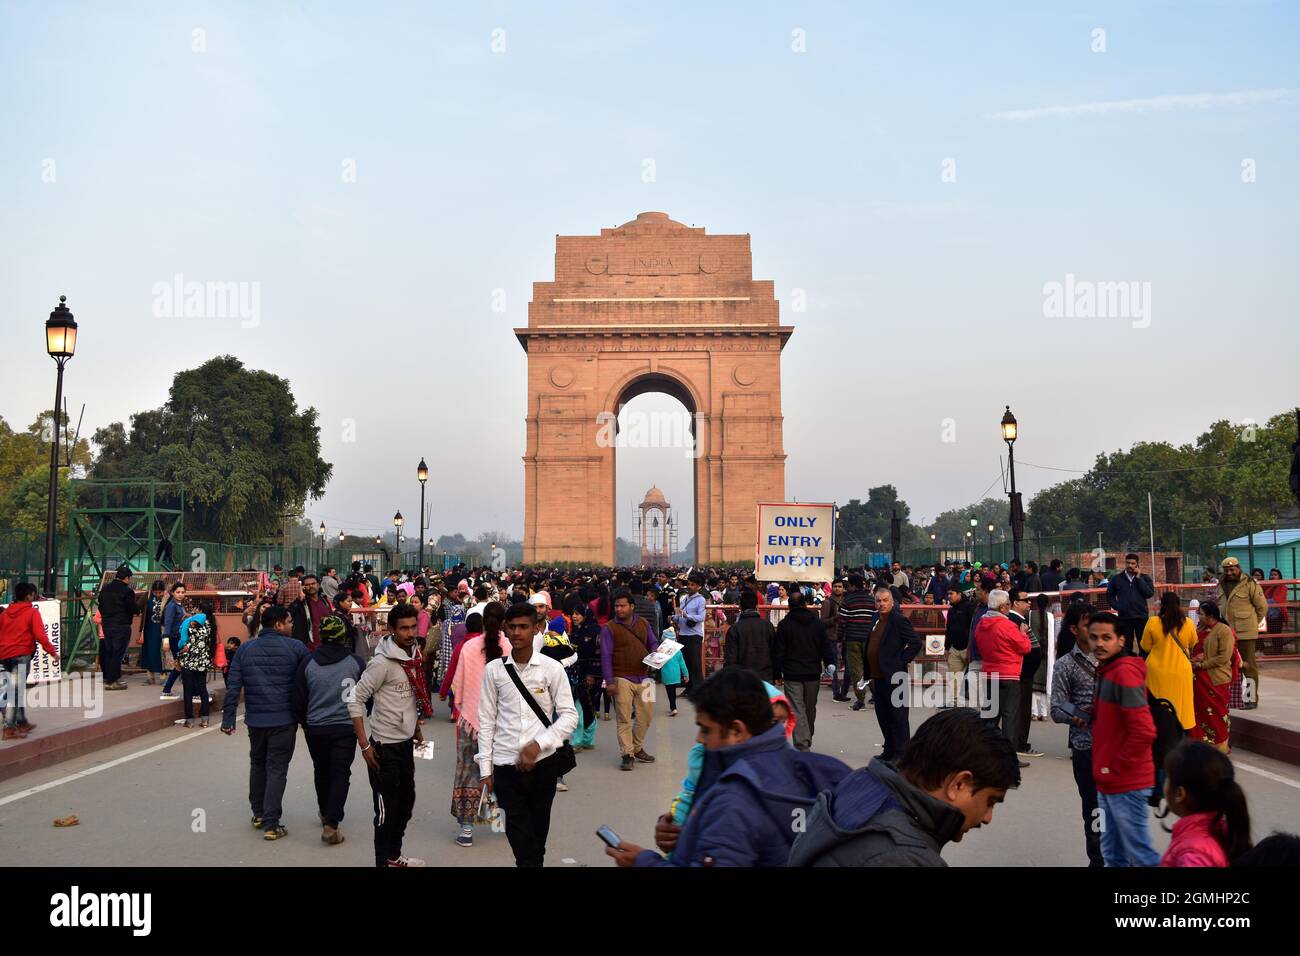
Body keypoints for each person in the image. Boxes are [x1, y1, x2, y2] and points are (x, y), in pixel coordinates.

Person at [605, 667, 850, 867]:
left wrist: (642, 862)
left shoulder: (734, 799)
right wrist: (688, 831)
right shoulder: (824, 770)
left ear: (737, 730)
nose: (699, 738)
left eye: (706, 729)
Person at [789, 708, 1021, 867]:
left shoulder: (863, 783)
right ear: (958, 783)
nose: (988, 817)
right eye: (990, 801)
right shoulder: (905, 856)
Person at [477, 601, 578, 867]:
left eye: (524, 626)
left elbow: (569, 716)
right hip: (505, 765)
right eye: (512, 627)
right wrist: (485, 770)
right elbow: (486, 721)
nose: (518, 632)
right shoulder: (494, 671)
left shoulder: (551, 669)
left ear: (536, 629)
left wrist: (538, 745)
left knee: (537, 836)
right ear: (505, 630)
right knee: (520, 838)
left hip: (543, 765)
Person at [348, 602, 428, 867]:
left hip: (405, 745)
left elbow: (408, 699)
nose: (410, 632)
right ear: (391, 630)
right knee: (385, 812)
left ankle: (394, 856)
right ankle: (382, 861)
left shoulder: (413, 655)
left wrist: (414, 728)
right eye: (403, 628)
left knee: (406, 803)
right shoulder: (381, 663)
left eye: (413, 626)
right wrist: (364, 745)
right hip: (383, 749)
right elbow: (355, 700)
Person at [221, 605, 310, 841]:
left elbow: (233, 686)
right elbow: (307, 684)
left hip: (256, 720)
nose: (292, 625)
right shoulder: (296, 648)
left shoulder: (245, 650)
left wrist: (228, 718)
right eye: (289, 621)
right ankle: (271, 823)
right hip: (284, 720)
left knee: (258, 764)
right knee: (277, 769)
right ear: (279, 624)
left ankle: (259, 814)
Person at [1089, 611, 1159, 867]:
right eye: (1095, 637)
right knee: (1114, 855)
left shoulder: (1123, 673)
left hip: (1126, 782)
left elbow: (1144, 731)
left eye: (1107, 637)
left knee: (1141, 856)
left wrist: (1116, 767)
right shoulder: (1107, 670)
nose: (1099, 643)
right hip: (1110, 781)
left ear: (1121, 640)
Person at [292, 614, 366, 846]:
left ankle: (325, 812)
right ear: (343, 636)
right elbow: (367, 694)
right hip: (345, 727)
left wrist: (305, 723)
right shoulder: (355, 663)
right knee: (340, 773)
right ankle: (331, 824)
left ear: (321, 636)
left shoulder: (308, 662)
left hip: (316, 728)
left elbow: (298, 698)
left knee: (321, 771)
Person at [448, 603, 509, 847]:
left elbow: (459, 687)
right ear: (504, 622)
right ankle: (499, 821)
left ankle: (467, 829)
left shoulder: (469, 646)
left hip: (470, 723)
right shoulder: (510, 647)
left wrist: (464, 705)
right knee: (501, 772)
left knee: (468, 773)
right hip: (502, 723)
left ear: (483, 621)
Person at [1050, 609, 1103, 867]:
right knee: (1093, 809)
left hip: (1118, 749)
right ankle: (1097, 860)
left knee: (1120, 810)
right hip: (1086, 747)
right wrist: (1077, 716)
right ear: (1073, 629)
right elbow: (1056, 707)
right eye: (1087, 625)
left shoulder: (1115, 659)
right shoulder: (1065, 665)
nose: (1094, 630)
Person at [1160, 741, 1252, 866]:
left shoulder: (1193, 853)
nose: (1165, 783)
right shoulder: (1221, 829)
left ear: (1179, 794)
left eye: (1168, 778)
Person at [600, 589, 659, 770]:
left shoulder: (643, 623)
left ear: (631, 606)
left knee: (646, 716)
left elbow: (652, 642)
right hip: (621, 677)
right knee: (624, 718)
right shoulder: (609, 628)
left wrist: (657, 651)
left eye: (623, 606)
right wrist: (609, 681)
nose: (619, 609)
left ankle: (636, 747)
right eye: (616, 606)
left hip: (645, 677)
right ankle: (627, 754)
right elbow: (606, 655)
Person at [865, 587, 923, 762]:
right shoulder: (875, 618)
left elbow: (915, 643)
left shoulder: (898, 620)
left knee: (898, 717)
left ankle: (902, 754)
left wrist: (900, 661)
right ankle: (889, 749)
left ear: (891, 601)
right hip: (877, 676)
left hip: (894, 676)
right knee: (883, 716)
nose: (882, 604)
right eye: (878, 601)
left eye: (885, 600)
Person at [773, 591, 835, 751]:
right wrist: (830, 662)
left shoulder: (784, 625)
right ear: (805, 604)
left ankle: (802, 742)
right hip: (813, 672)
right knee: (809, 708)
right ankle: (806, 739)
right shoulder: (817, 623)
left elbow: (779, 651)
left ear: (790, 606)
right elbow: (825, 645)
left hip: (792, 673)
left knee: (796, 709)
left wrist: (777, 673)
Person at [973, 590, 1030, 765]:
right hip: (1009, 674)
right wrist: (1023, 633)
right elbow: (1025, 647)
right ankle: (1008, 757)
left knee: (991, 715)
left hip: (990, 672)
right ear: (1003, 606)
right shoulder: (1007, 625)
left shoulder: (981, 624)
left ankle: (985, 752)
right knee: (1009, 716)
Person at [0, 582, 60, 740]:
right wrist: (52, 652)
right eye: (34, 594)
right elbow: (40, 635)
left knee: (16, 689)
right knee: (15, 692)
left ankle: (22, 722)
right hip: (21, 654)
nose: (34, 597)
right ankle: (9, 729)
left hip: (5, 655)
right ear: (28, 596)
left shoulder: (6, 613)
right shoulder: (31, 612)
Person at [1141, 591, 1198, 731]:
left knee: (1157, 705)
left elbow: (1145, 646)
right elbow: (1193, 643)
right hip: (1181, 671)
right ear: (1179, 605)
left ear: (1162, 605)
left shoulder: (1153, 622)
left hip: (1156, 671)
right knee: (1182, 705)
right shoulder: (1189, 623)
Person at [1217, 557, 1268, 709]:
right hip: (1227, 632)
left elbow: (1262, 607)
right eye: (1226, 570)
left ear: (1239, 568)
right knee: (1229, 666)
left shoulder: (1249, 583)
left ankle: (1251, 699)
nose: (1229, 572)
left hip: (1245, 633)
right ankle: (1233, 699)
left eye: (1232, 569)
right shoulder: (1221, 584)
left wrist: (1251, 622)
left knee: (1248, 667)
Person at [1189, 600, 1237, 752]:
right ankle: (1203, 745)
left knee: (1217, 712)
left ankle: (1221, 745)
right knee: (1200, 712)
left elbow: (1224, 657)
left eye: (1201, 614)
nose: (1198, 616)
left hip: (1215, 678)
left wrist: (1202, 664)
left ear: (1210, 615)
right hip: (1199, 679)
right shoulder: (1201, 629)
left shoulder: (1224, 630)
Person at [1006, 589, 1043, 758]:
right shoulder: (1014, 620)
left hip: (1024, 673)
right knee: (1021, 711)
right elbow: (1022, 648)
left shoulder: (1019, 620)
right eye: (1025, 600)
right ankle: (1019, 743)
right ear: (1015, 603)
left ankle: (1019, 742)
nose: (1029, 603)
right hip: (1021, 674)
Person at [839, 573, 877, 712]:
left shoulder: (847, 601)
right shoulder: (872, 600)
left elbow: (843, 622)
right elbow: (876, 619)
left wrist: (839, 639)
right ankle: (877, 696)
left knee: (857, 671)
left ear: (852, 586)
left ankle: (860, 701)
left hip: (853, 639)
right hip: (869, 638)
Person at [97, 565, 139, 690]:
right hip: (121, 626)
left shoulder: (105, 589)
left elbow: (100, 605)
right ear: (126, 578)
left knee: (110, 652)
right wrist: (138, 607)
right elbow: (133, 608)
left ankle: (110, 677)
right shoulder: (127, 591)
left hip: (107, 625)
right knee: (118, 653)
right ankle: (112, 681)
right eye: (129, 579)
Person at [175, 599, 216, 728]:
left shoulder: (190, 624)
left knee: (188, 690)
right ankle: (205, 720)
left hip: (189, 661)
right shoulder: (210, 625)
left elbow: (182, 642)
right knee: (202, 689)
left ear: (199, 611)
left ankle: (190, 720)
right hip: (203, 661)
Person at [1105, 553, 1155, 653]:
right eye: (1128, 563)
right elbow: (1109, 595)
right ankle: (1127, 666)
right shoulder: (1116, 579)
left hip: (1141, 616)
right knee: (1126, 645)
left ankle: (1143, 666)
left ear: (1137, 565)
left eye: (1133, 563)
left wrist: (1139, 578)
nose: (1130, 565)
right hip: (1125, 617)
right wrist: (1118, 606)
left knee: (1143, 645)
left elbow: (1149, 594)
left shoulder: (1145, 578)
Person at [723, 589, 776, 681]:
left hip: (742, 677)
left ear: (741, 606)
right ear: (756, 605)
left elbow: (730, 657)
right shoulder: (767, 625)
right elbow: (774, 651)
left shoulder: (735, 628)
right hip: (765, 675)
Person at [672, 573, 707, 696]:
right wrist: (673, 618)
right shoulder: (685, 598)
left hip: (694, 635)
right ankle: (690, 688)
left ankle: (699, 689)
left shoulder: (701, 600)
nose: (690, 586)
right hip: (683, 634)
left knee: (695, 664)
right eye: (689, 584)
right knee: (686, 663)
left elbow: (701, 617)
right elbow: (680, 614)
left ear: (699, 587)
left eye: (693, 585)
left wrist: (687, 616)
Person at [943, 587, 973, 707]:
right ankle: (954, 702)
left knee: (974, 679)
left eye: (952, 593)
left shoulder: (969, 607)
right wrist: (946, 647)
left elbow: (973, 629)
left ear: (959, 594)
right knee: (953, 677)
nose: (949, 596)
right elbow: (949, 630)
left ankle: (975, 705)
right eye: (948, 593)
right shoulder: (951, 611)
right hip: (954, 649)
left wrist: (972, 648)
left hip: (968, 648)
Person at [159, 582, 187, 701]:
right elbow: (168, 623)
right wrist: (166, 640)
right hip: (174, 639)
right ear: (172, 593)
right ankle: (194, 692)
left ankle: (167, 690)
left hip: (179, 638)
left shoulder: (179, 605)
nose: (180, 594)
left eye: (182, 592)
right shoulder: (171, 606)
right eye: (178, 592)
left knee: (180, 665)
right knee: (181, 664)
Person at [289, 574, 332, 650]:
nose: (311, 586)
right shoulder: (301, 603)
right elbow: (290, 614)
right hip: (308, 647)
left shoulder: (324, 600)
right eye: (307, 585)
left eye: (313, 583)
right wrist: (299, 599)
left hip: (327, 645)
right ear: (303, 587)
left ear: (318, 585)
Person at [821, 579, 847, 701]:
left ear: (843, 588)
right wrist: (834, 619)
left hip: (846, 637)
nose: (837, 588)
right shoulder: (827, 603)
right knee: (835, 666)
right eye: (835, 586)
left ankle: (844, 691)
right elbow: (823, 622)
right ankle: (836, 692)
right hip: (832, 637)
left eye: (840, 586)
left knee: (849, 665)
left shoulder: (846, 601)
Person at [138, 580, 167, 684]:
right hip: (148, 628)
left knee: (161, 651)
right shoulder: (147, 595)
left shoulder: (167, 598)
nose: (158, 594)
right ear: (152, 591)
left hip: (162, 629)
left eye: (160, 592)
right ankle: (150, 676)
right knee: (149, 651)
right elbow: (137, 607)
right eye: (156, 592)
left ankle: (163, 675)